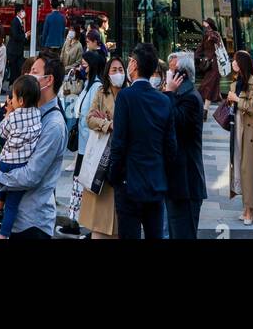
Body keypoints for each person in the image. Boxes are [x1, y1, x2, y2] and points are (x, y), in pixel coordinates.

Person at [0, 51, 67, 239]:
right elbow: (11, 151)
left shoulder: (54, 125)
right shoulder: (29, 114)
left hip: (33, 224)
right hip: (19, 220)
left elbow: (31, 176)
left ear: (48, 80)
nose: (27, 76)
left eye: (33, 72)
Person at [107, 42, 177, 240]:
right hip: (155, 182)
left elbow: (118, 143)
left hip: (129, 183)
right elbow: (171, 147)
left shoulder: (126, 97)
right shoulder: (164, 100)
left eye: (129, 62)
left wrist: (114, 176)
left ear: (135, 65)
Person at [80, 53, 126, 239]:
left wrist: (109, 119)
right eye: (114, 70)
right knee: (98, 220)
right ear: (107, 73)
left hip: (121, 158)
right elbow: (90, 118)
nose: (118, 73)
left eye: (120, 70)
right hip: (101, 157)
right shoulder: (101, 92)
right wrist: (108, 124)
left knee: (118, 220)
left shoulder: (128, 92)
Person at [0, 73, 43, 237]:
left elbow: (2, 132)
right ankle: (4, 234)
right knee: (12, 206)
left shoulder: (13, 116)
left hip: (7, 162)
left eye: (13, 97)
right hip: (22, 165)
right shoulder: (38, 114)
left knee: (2, 185)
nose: (11, 101)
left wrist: (8, 114)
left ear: (20, 101)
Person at [161, 50, 206, 238]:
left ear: (182, 75)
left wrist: (169, 94)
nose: (168, 77)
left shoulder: (190, 98)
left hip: (186, 183)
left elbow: (175, 120)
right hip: (176, 182)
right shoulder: (181, 96)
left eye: (172, 72)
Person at [62, 48, 105, 235]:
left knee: (84, 183)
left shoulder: (96, 87)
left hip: (89, 146)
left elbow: (92, 115)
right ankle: (74, 221)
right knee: (78, 182)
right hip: (82, 145)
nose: (81, 68)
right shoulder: (88, 85)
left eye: (85, 65)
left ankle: (81, 223)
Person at [225, 48, 253, 226]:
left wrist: (236, 100)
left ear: (242, 64)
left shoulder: (252, 83)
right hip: (237, 130)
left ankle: (251, 210)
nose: (233, 63)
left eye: (235, 60)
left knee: (250, 171)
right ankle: (245, 208)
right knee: (240, 168)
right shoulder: (236, 82)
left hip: (248, 132)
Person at [194, 17, 225, 120]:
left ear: (209, 24)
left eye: (205, 24)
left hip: (216, 64)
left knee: (209, 87)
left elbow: (217, 41)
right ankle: (225, 110)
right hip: (209, 65)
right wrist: (196, 57)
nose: (204, 26)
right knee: (213, 88)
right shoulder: (205, 35)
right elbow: (200, 48)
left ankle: (205, 111)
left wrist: (210, 32)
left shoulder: (215, 34)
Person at [6, 3, 27, 83]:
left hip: (18, 51)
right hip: (13, 52)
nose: (23, 12)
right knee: (14, 72)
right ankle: (12, 88)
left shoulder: (21, 22)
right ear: (18, 12)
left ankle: (14, 87)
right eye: (22, 11)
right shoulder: (15, 22)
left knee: (17, 71)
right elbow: (15, 36)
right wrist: (25, 35)